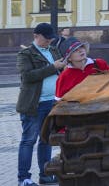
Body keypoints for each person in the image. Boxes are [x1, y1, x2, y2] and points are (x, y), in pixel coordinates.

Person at [17, 23, 64, 186]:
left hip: (52, 103)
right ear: (36, 36)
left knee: (46, 140)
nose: (49, 41)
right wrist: (53, 67)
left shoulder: (53, 50)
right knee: (28, 141)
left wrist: (62, 67)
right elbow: (28, 76)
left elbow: (60, 71)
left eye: (51, 38)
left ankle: (45, 175)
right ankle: (24, 178)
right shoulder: (26, 54)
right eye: (47, 38)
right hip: (34, 104)